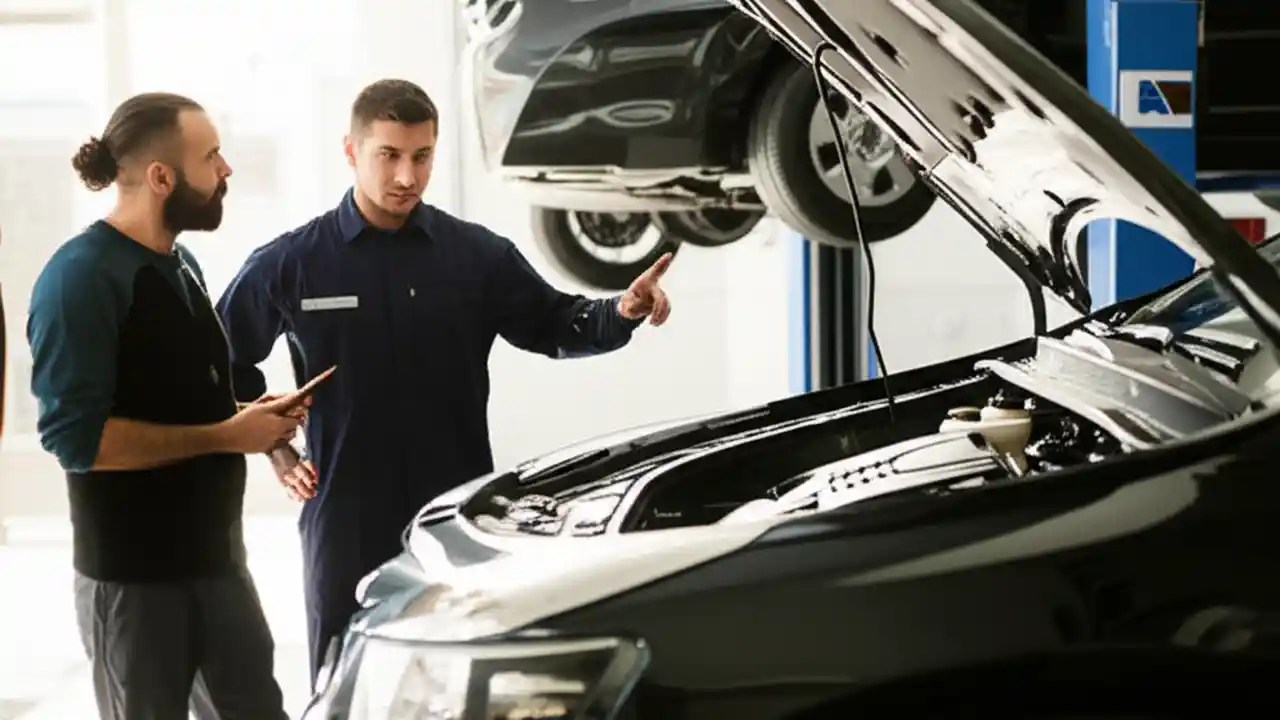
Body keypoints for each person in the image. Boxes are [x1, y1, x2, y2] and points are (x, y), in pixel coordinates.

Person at [214, 78, 675, 687]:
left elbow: (557, 322)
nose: (408, 176)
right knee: (343, 677)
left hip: (455, 511)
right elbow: (221, 362)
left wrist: (621, 311)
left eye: (422, 156)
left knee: (458, 678)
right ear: (351, 152)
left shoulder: (475, 257)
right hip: (345, 510)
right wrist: (273, 443)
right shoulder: (293, 262)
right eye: (390, 155)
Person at [26, 92, 300, 720]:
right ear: (161, 177)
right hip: (133, 584)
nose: (226, 169)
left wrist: (263, 425)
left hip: (218, 567)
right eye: (211, 157)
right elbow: (77, 441)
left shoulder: (183, 265)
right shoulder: (79, 277)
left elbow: (188, 401)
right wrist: (227, 436)